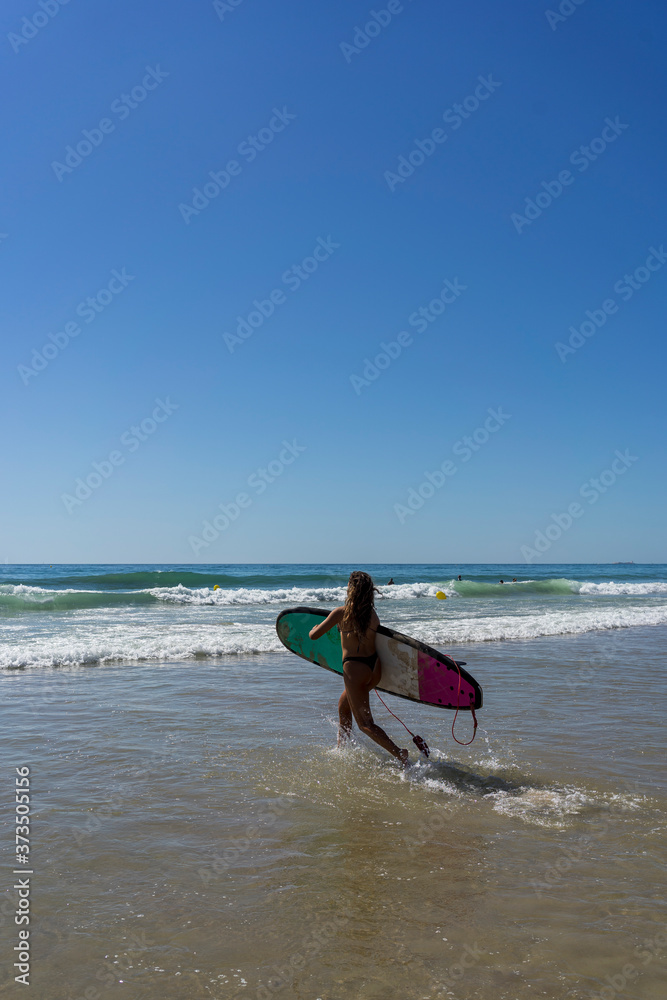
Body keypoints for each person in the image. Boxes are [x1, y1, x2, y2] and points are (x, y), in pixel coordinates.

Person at [309, 571, 409, 766]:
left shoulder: (341, 612)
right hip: (374, 668)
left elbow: (314, 636)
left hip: (354, 669)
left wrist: (314, 627)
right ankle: (342, 749)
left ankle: (400, 754)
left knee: (365, 724)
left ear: (351, 589)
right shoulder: (372, 616)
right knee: (343, 706)